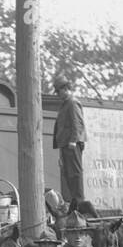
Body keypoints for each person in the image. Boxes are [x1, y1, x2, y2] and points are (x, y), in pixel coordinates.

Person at [51, 76, 87, 204]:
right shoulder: (65, 104)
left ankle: (79, 201)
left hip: (72, 144)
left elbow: (77, 123)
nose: (58, 94)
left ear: (65, 89)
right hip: (65, 144)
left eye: (59, 91)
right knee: (68, 175)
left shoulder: (72, 103)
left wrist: (73, 140)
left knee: (75, 174)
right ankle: (74, 202)